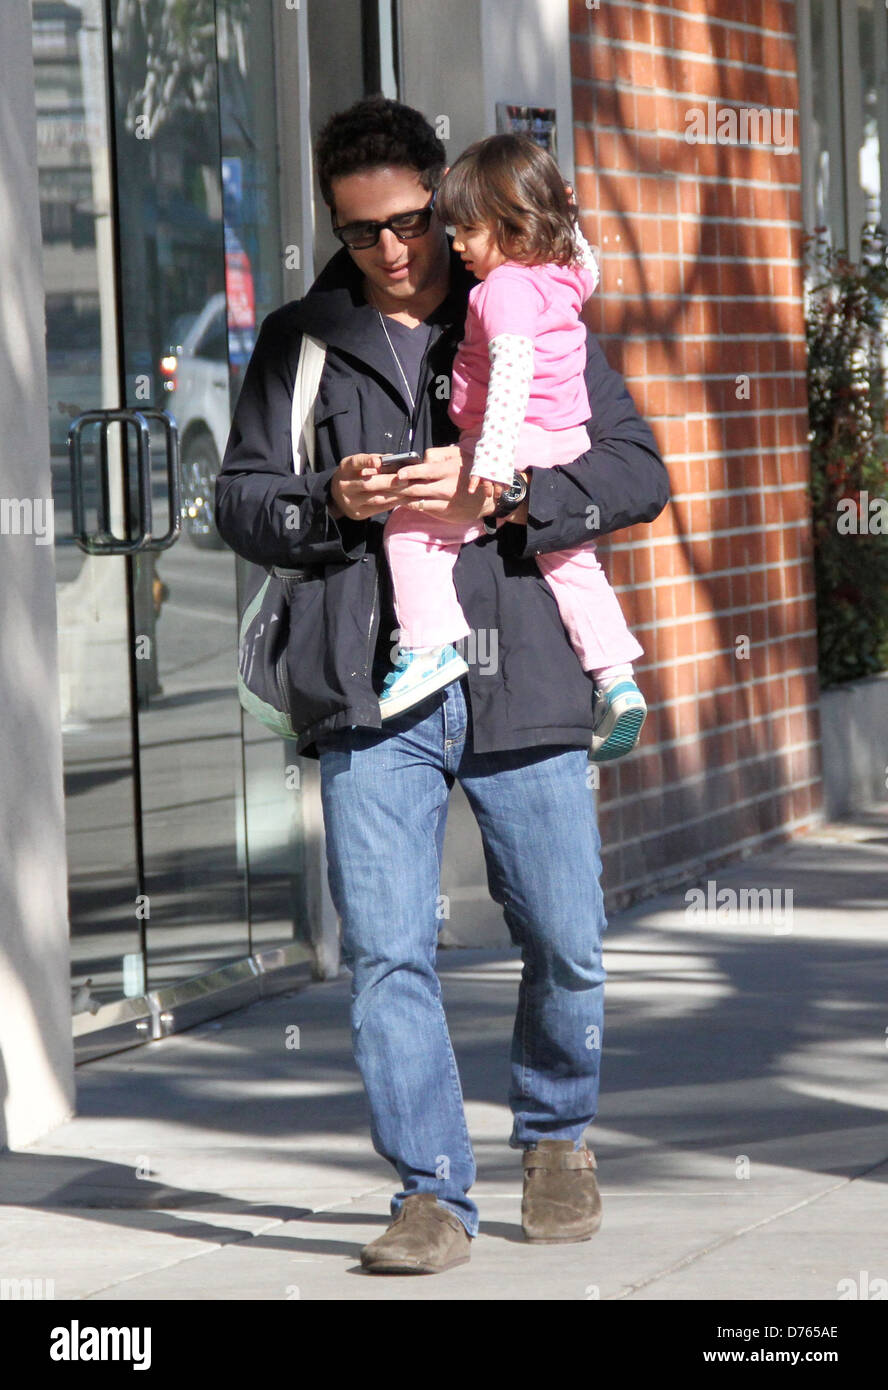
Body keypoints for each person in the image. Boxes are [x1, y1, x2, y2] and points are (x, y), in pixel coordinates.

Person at [214, 95, 670, 1275]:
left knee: (565, 934)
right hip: (376, 686)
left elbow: (635, 468)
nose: (396, 252)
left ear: (444, 199)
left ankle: (558, 1133)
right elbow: (239, 499)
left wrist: (517, 489)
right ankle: (429, 1192)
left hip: (520, 669)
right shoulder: (301, 341)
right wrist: (334, 500)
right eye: (365, 233)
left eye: (414, 222)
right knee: (388, 952)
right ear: (336, 226)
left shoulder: (514, 294)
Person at [375, 134, 646, 762]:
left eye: (468, 231)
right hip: (567, 441)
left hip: (513, 439)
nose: (458, 246)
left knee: (413, 530)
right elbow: (590, 258)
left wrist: (492, 462)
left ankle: (424, 650)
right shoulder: (568, 274)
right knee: (573, 566)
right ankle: (616, 679)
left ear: (512, 226)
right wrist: (564, 217)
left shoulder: (503, 290)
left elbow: (512, 369)